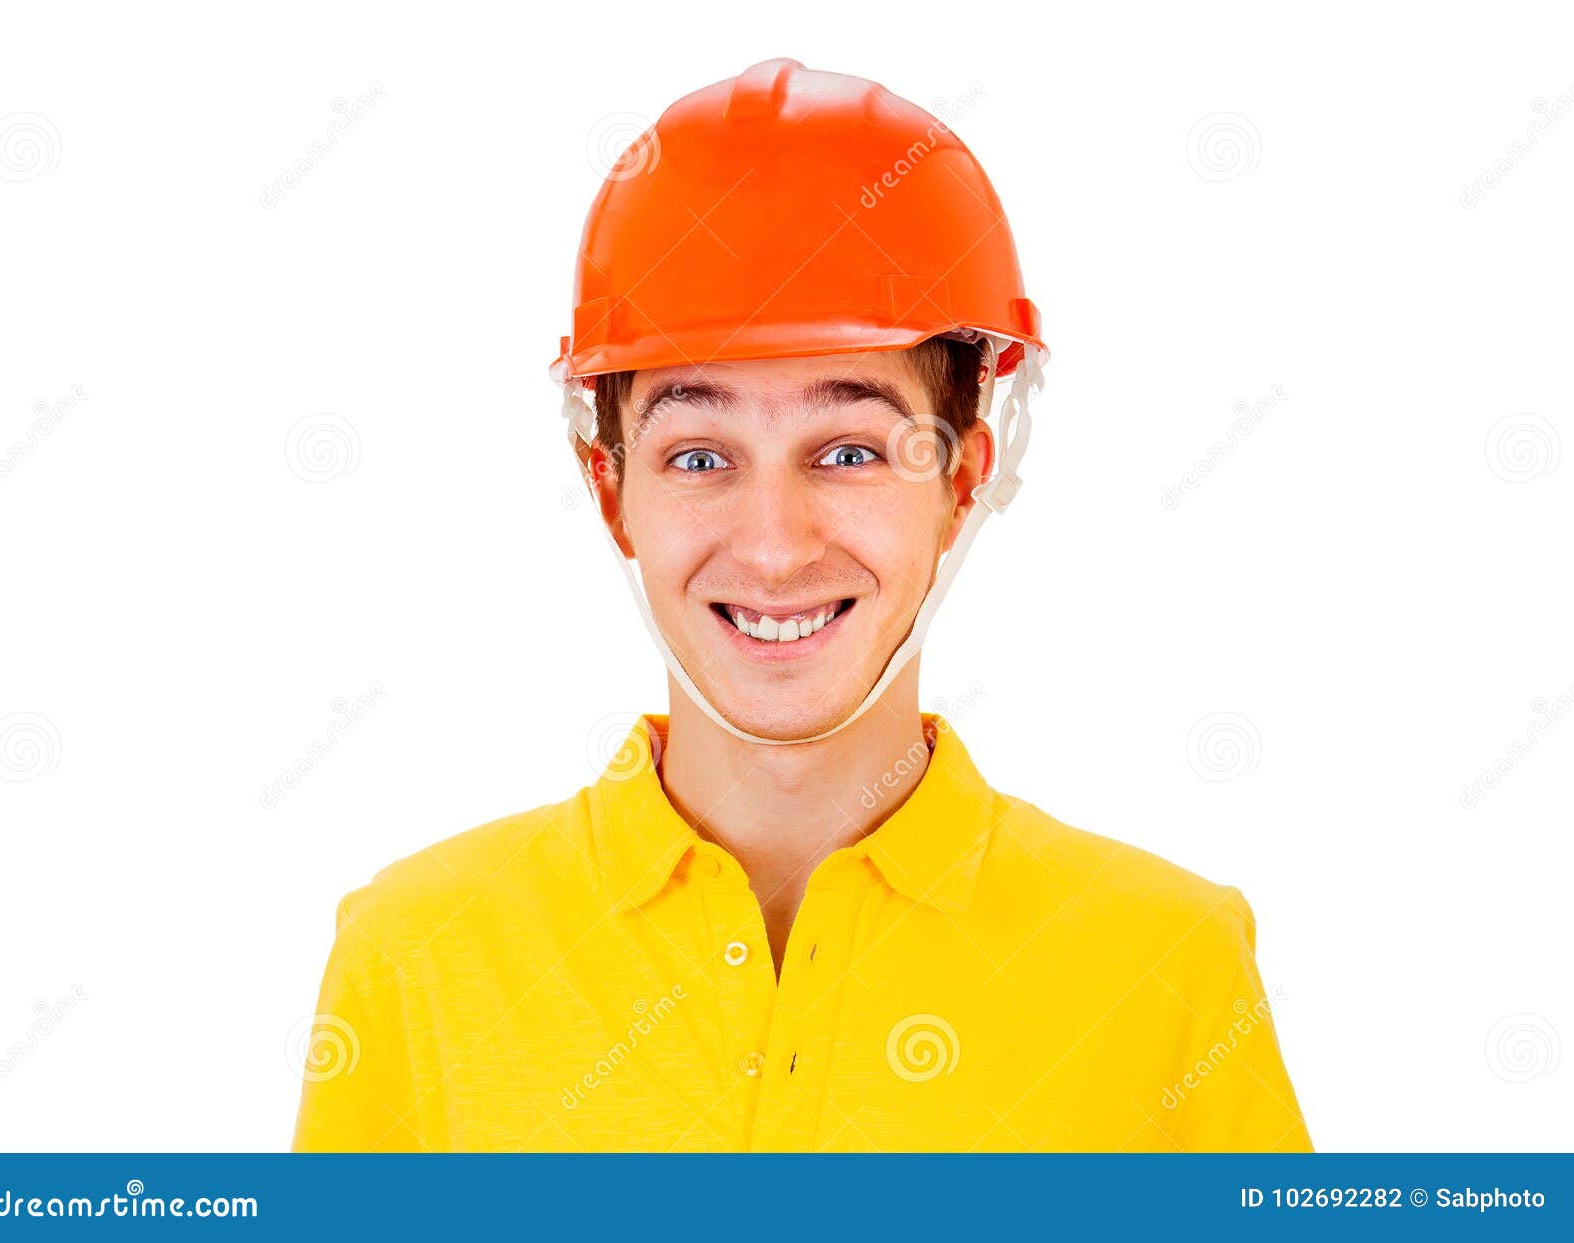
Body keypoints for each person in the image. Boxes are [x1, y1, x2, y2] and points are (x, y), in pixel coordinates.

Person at [291, 57, 1312, 1153]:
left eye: (846, 449)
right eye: (697, 456)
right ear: (610, 490)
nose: (775, 545)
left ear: (962, 480)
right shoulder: (415, 955)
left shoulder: (1164, 965)